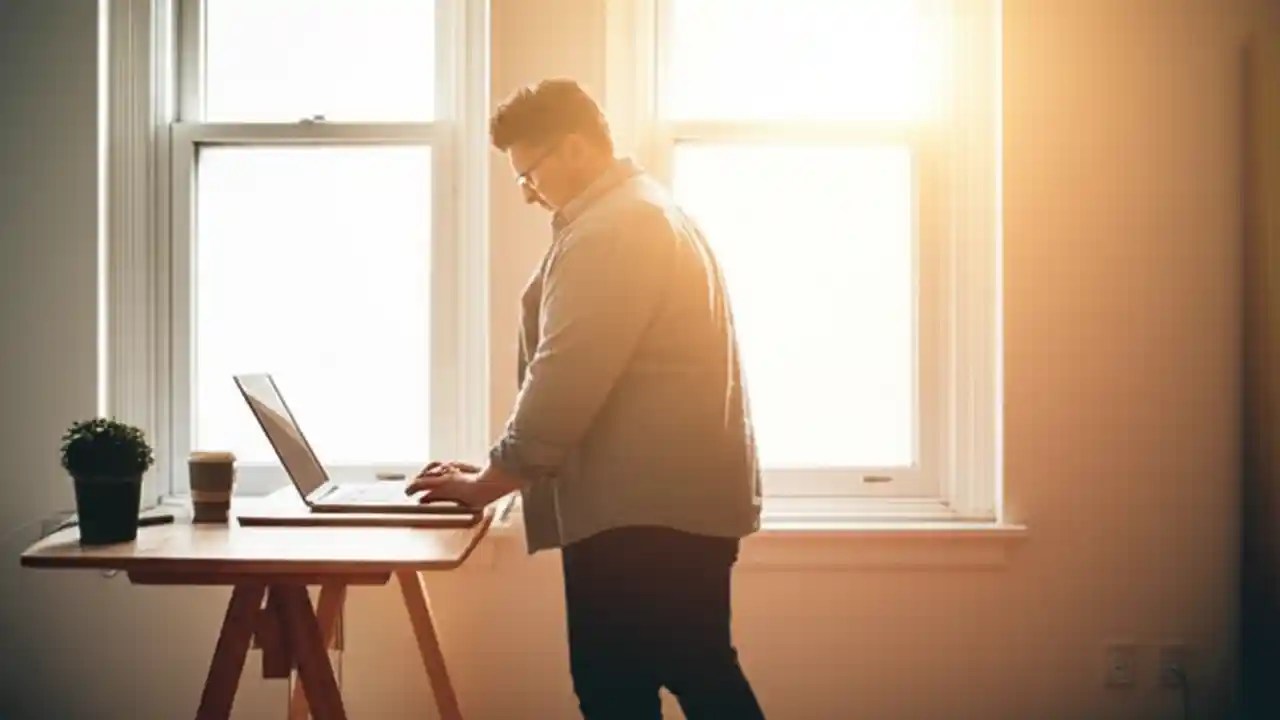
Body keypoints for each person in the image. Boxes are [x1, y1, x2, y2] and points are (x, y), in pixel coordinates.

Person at [406, 78, 765, 720]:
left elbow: (566, 372)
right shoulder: (644, 210)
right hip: (664, 508)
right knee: (697, 672)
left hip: (642, 518)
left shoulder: (615, 229)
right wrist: (498, 468)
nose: (526, 192)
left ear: (573, 148)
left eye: (529, 173)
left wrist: (491, 480)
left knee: (620, 689)